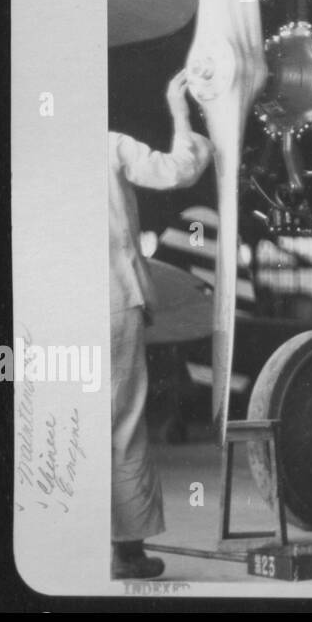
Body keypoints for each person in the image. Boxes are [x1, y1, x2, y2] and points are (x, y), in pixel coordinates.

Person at [108, 71, 213, 579]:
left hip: (44, 307)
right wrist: (179, 107)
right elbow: (179, 170)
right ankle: (127, 550)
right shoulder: (109, 147)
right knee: (122, 425)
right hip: (110, 301)